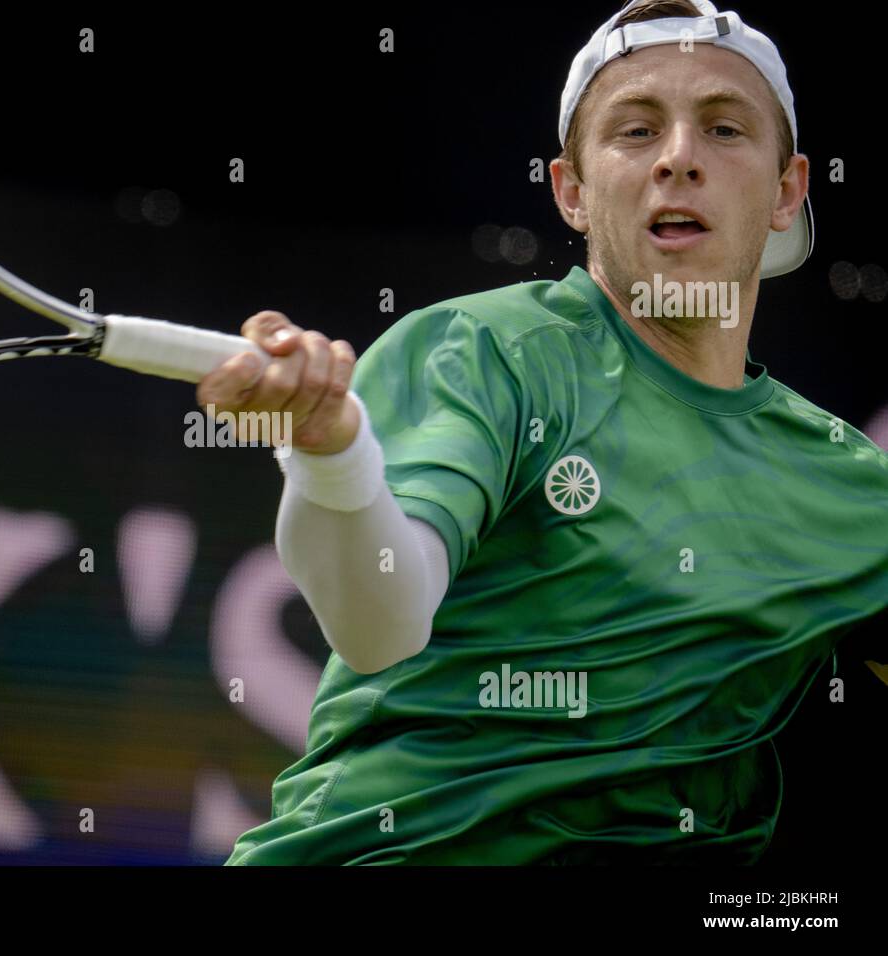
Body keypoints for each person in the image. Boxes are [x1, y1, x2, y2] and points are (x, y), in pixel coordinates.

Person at [204, 0, 888, 864]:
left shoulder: (849, 484)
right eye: (636, 132)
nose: (678, 159)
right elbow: (378, 622)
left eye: (722, 128)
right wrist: (332, 456)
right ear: (572, 189)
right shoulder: (486, 352)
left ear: (788, 190)